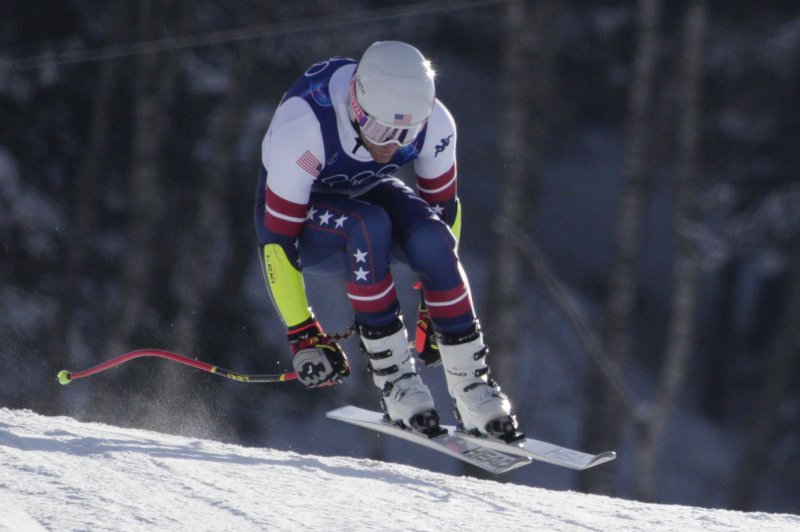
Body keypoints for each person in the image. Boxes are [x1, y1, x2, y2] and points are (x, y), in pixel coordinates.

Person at [255, 41, 520, 440]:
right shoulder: (305, 127)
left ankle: (472, 387)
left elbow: (444, 217)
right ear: (356, 108)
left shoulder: (438, 125)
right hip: (307, 219)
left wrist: (434, 309)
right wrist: (301, 329)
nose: (390, 144)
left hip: (366, 190)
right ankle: (396, 381)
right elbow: (277, 242)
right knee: (368, 226)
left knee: (430, 237)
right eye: (380, 129)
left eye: (405, 132)